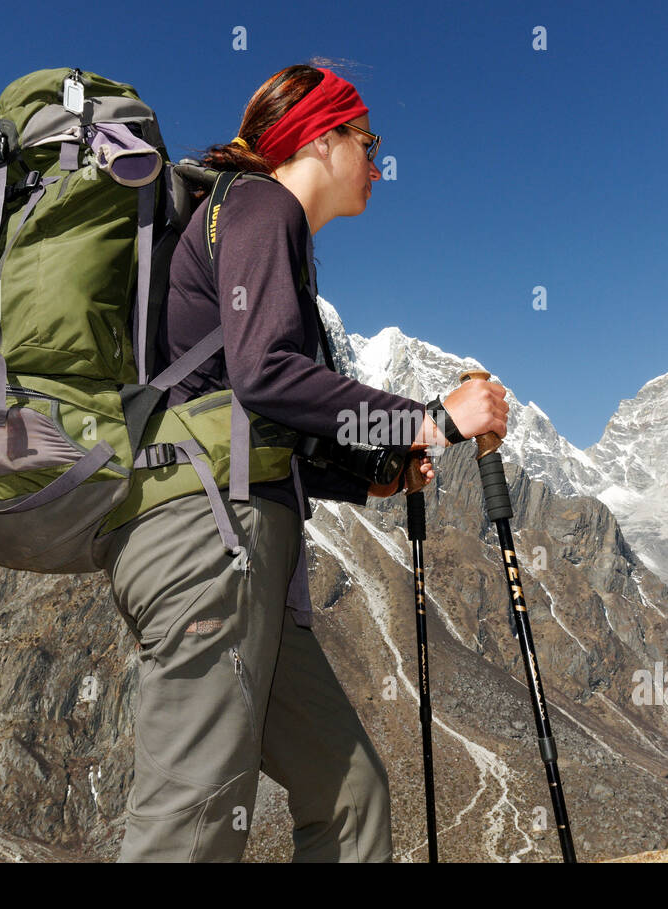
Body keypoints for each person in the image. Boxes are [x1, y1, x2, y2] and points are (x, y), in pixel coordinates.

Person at [99, 61, 509, 862]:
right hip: (209, 554)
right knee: (194, 821)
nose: (378, 163)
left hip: (242, 554)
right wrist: (430, 422)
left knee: (349, 797)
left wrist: (371, 472)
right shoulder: (261, 205)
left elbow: (258, 417)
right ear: (323, 138)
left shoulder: (250, 221)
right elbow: (267, 374)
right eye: (368, 140)